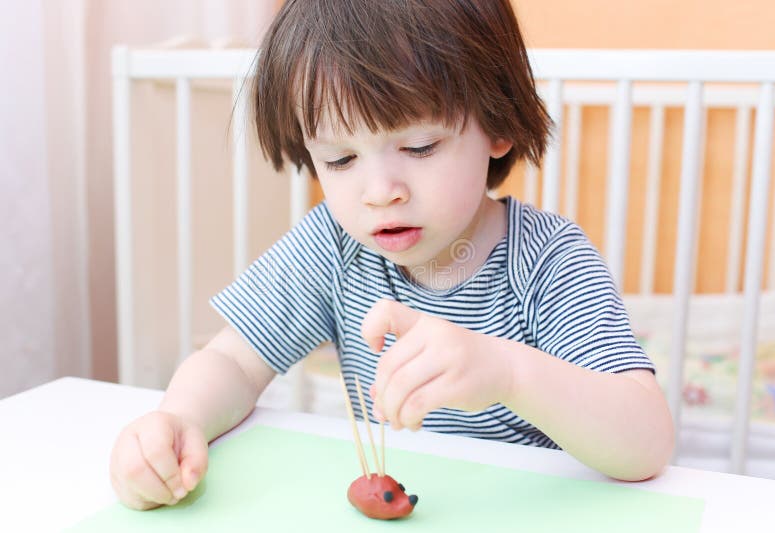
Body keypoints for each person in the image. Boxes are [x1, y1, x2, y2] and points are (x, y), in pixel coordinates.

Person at [110, 0, 674, 510]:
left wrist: (509, 374)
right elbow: (233, 361)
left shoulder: (548, 259)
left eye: (419, 146)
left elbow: (645, 441)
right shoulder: (332, 245)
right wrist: (179, 417)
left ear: (498, 124)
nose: (381, 190)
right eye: (339, 159)